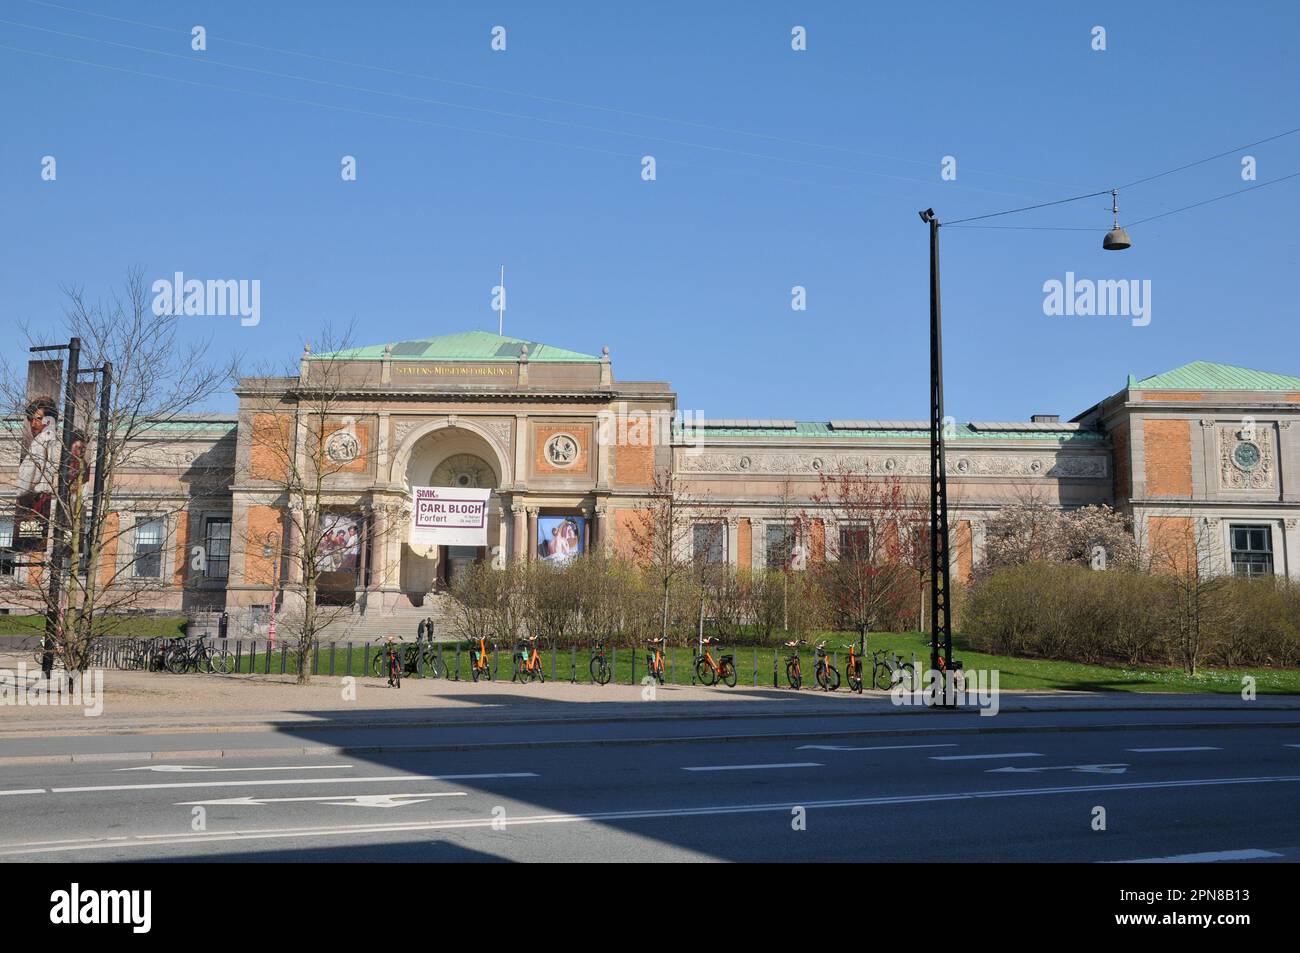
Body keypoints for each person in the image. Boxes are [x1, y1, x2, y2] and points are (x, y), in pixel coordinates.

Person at [14, 396, 58, 551]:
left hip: (37, 500)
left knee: (32, 544)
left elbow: (32, 475)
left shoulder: (42, 441)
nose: (33, 424)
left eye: (38, 419)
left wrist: (20, 491)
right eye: (30, 419)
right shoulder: (47, 440)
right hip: (37, 500)